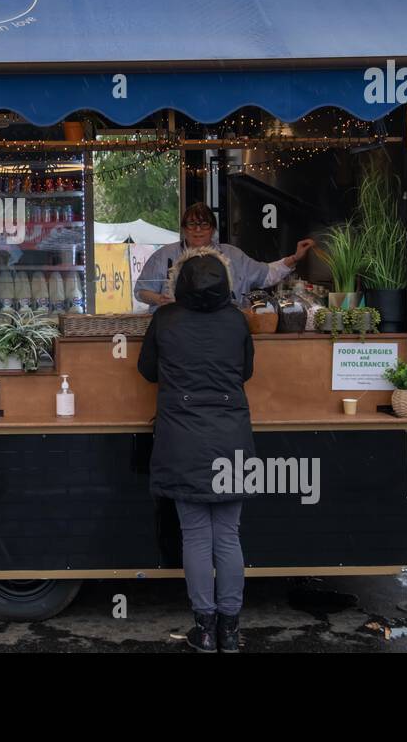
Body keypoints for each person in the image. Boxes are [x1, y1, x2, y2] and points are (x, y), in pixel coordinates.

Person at [138, 247, 255, 653]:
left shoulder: (165, 320)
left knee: (195, 535)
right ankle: (231, 631)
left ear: (179, 281)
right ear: (226, 282)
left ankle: (204, 629)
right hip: (231, 438)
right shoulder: (237, 321)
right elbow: (246, 372)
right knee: (228, 534)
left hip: (182, 438)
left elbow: (147, 370)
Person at [135, 202, 314, 310]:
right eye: (192, 224)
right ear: (183, 229)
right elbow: (140, 292)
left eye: (204, 225)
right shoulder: (163, 256)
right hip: (176, 330)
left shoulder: (233, 255)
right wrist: (159, 299)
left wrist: (295, 258)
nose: (198, 230)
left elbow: (265, 275)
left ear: (212, 230)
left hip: (223, 330)